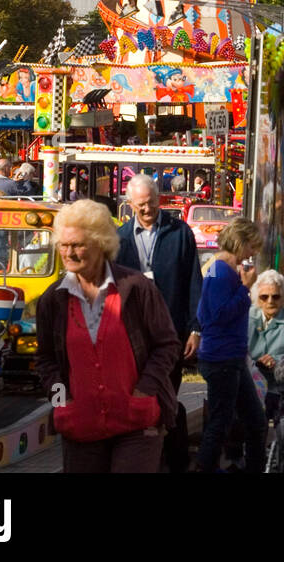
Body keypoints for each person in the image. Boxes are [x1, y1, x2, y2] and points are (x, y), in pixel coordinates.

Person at [36, 199, 180, 473]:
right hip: (80, 426)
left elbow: (167, 345)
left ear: (101, 244)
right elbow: (45, 360)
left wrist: (145, 390)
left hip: (137, 423)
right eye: (63, 245)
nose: (69, 253)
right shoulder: (52, 300)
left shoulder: (137, 289)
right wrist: (60, 400)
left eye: (78, 245)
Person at [115, 173, 203, 473]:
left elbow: (194, 282)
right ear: (129, 205)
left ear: (160, 200)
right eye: (140, 206)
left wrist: (195, 328)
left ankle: (167, 458)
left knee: (166, 395)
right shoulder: (120, 238)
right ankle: (149, 455)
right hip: (132, 336)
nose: (147, 210)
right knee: (140, 394)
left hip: (171, 331)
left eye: (151, 204)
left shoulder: (180, 233)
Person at [195, 218, 266, 473]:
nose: (252, 253)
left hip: (229, 356)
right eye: (251, 247)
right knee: (221, 421)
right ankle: (205, 465)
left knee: (254, 421)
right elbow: (218, 314)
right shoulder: (222, 271)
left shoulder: (216, 267)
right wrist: (245, 289)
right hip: (222, 357)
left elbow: (204, 312)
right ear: (240, 242)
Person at [248, 269, 284, 415]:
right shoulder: (246, 317)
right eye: (264, 297)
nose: (270, 301)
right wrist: (255, 363)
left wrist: (276, 362)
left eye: (275, 296)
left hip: (281, 386)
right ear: (256, 298)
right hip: (250, 384)